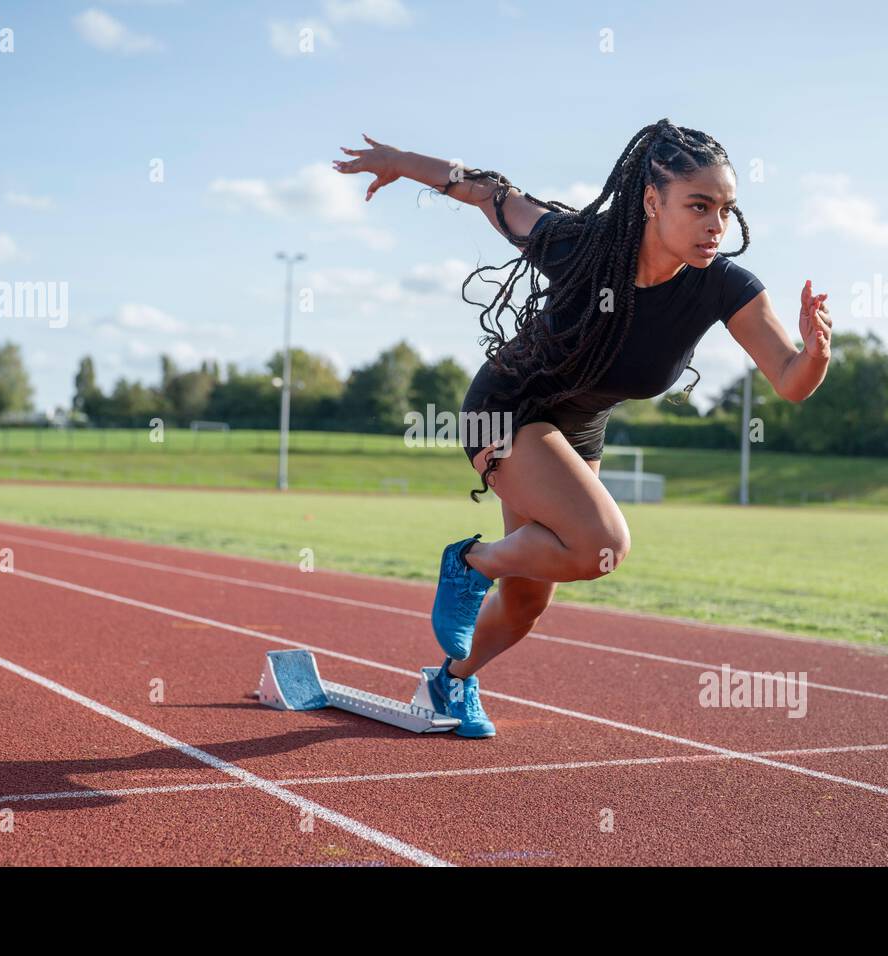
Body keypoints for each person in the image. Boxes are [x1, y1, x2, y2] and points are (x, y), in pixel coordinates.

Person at [332, 119, 832, 738]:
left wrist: (815, 355)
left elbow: (789, 378)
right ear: (652, 200)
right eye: (698, 206)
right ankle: (469, 561)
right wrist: (401, 159)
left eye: (725, 210)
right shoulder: (581, 245)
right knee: (603, 545)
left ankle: (450, 681)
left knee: (528, 601)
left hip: (574, 431)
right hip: (506, 408)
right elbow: (487, 192)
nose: (716, 226)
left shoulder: (724, 285)